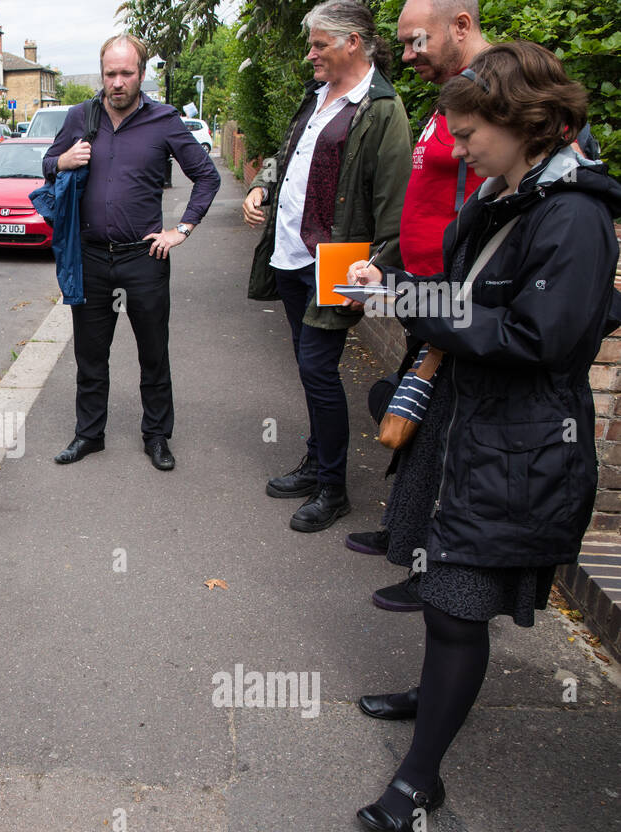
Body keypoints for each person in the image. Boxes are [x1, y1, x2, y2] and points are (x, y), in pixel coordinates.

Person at [346, 41, 621, 832]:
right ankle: (432, 699)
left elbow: (540, 338)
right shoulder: (512, 193)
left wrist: (413, 302)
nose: (457, 151)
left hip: (515, 446)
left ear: (520, 121)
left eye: (469, 135)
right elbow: (476, 296)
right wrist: (405, 287)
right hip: (471, 429)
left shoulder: (572, 214)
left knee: (458, 606)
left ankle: (418, 781)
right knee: (440, 595)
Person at [243, 0, 412, 532]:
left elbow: (394, 200)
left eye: (320, 44)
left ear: (353, 43)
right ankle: (317, 462)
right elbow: (287, 156)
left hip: (337, 264)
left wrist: (382, 263)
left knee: (318, 369)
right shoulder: (317, 97)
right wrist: (260, 185)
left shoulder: (381, 108)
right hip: (292, 257)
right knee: (307, 364)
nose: (311, 53)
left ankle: (333, 487)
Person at [344, 0, 489, 615]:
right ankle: (403, 533)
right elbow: (428, 200)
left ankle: (432, 570)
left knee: (440, 438)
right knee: (416, 422)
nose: (404, 57)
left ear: (460, 26)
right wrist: (390, 263)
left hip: (456, 302)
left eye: (413, 42)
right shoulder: (449, 98)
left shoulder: (497, 101)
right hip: (422, 292)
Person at [43, 33, 220, 472]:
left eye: (126, 73)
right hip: (90, 257)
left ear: (141, 74)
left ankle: (157, 436)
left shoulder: (164, 120)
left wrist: (181, 229)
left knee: (153, 352)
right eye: (110, 73)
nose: (117, 82)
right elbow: (47, 163)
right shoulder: (79, 117)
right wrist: (63, 161)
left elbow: (206, 176)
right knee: (89, 353)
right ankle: (89, 435)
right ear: (101, 74)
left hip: (144, 257)